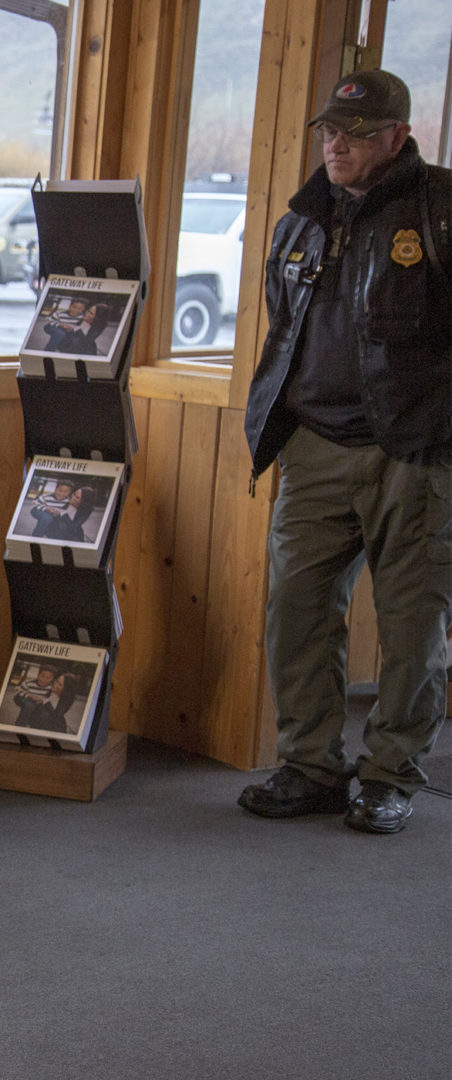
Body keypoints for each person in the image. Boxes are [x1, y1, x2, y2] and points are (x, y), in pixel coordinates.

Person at [239, 69, 451, 834]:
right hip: (315, 448)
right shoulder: (302, 220)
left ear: (398, 136)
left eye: (356, 133)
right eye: (330, 131)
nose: (337, 144)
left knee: (412, 629)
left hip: (414, 454)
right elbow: (283, 330)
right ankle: (311, 766)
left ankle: (391, 775)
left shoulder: (440, 210)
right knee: (296, 611)